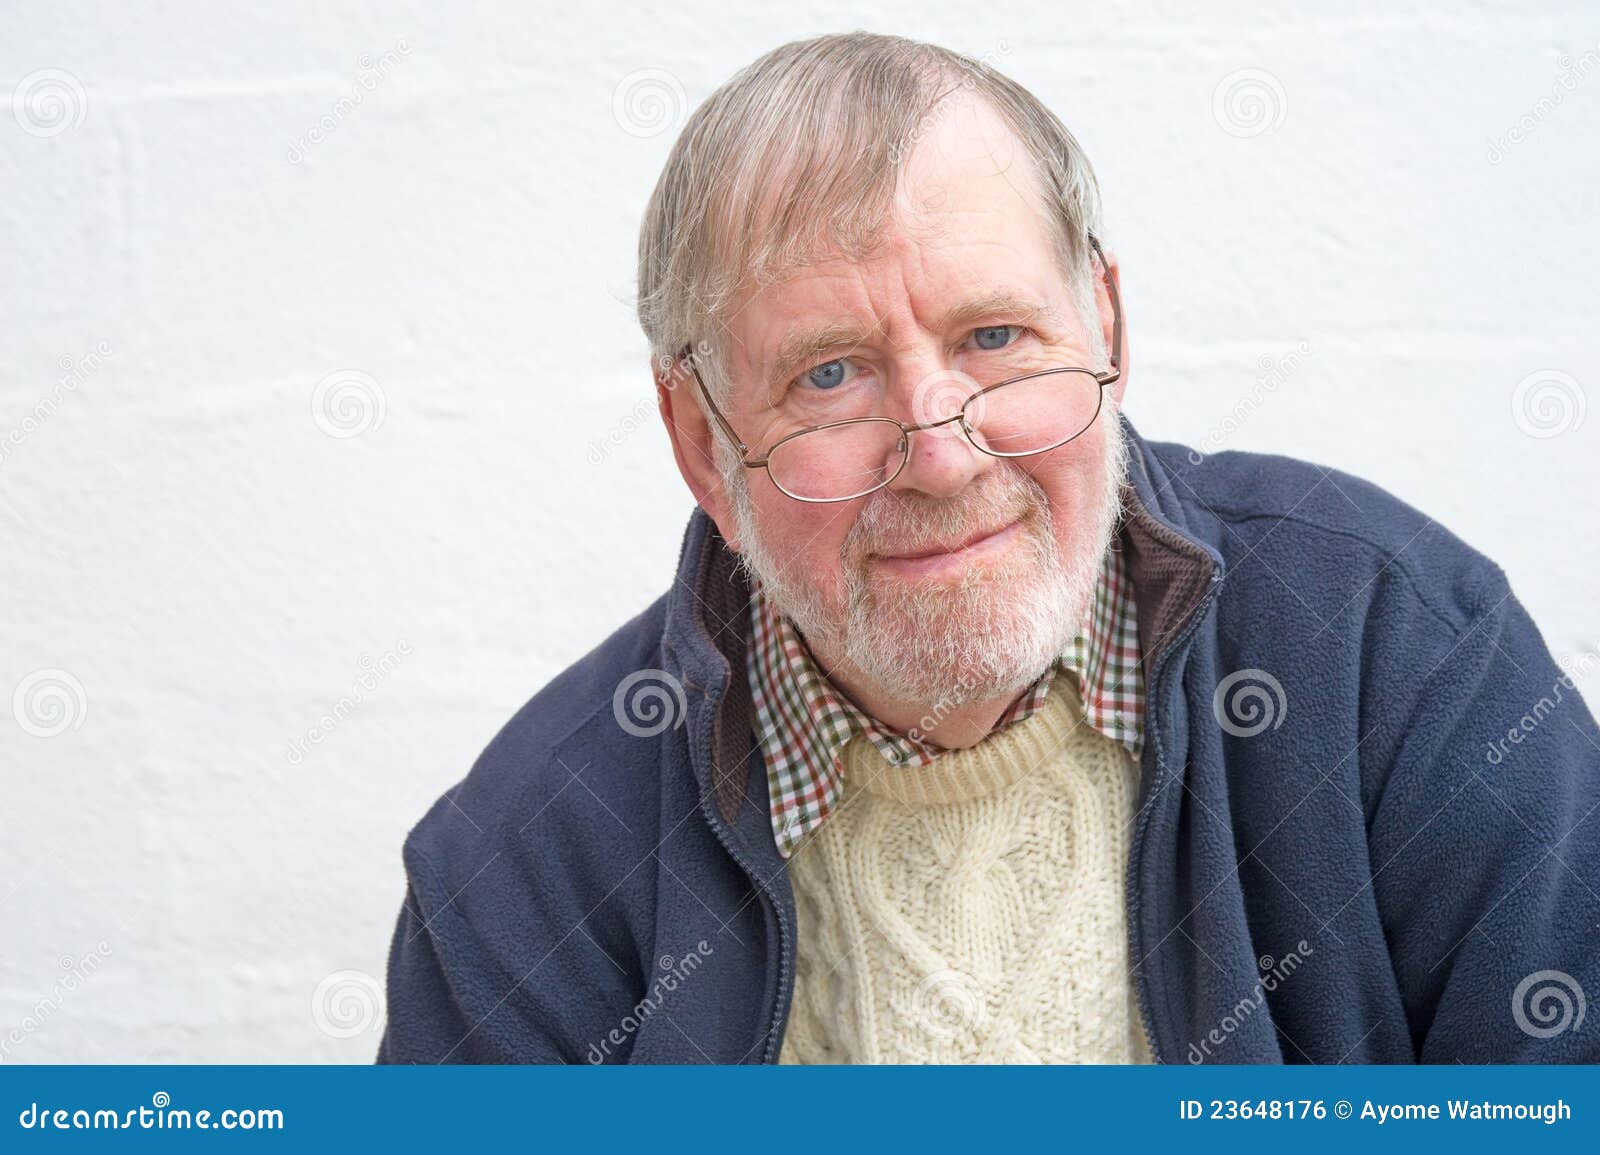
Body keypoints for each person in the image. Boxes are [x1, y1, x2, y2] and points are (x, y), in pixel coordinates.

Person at [377, 32, 1600, 1064]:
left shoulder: (1394, 653)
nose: (942, 454)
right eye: (830, 374)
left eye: (995, 338)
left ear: (1103, 328)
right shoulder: (520, 870)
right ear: (703, 441)